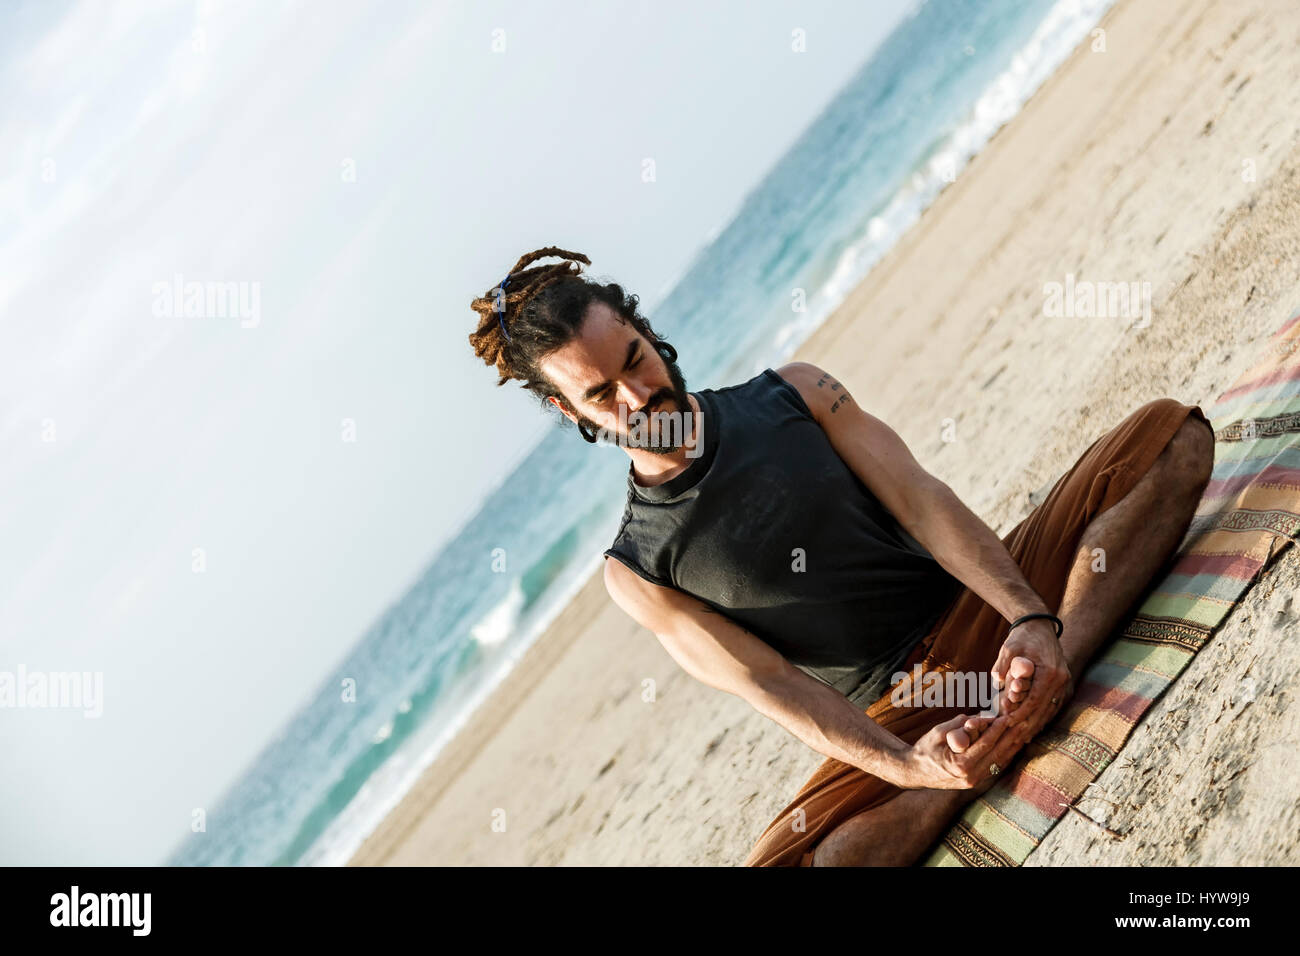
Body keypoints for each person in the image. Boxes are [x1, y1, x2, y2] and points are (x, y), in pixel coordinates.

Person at [468, 247, 1215, 866]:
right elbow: (772, 685)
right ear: (572, 414)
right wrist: (913, 765)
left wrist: (1030, 616)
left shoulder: (794, 392)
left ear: (647, 330)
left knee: (1170, 437)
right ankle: (968, 761)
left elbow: (923, 501)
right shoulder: (635, 571)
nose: (637, 397)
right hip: (903, 709)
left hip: (983, 606)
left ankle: (1053, 666)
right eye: (602, 395)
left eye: (635, 360)